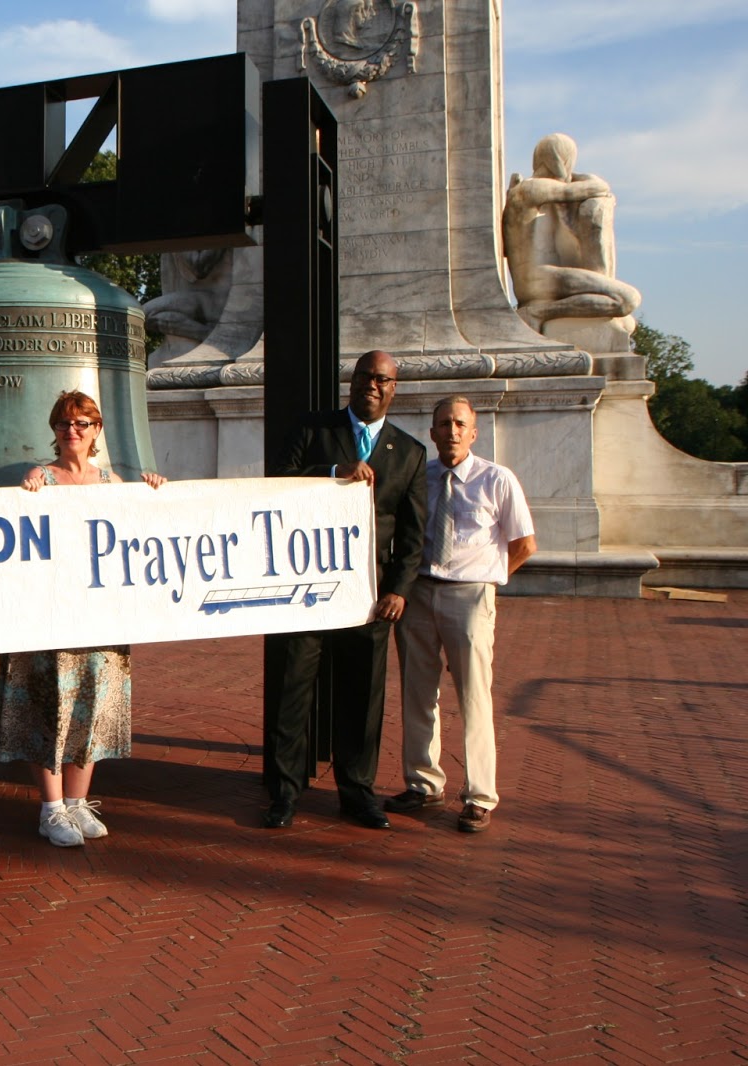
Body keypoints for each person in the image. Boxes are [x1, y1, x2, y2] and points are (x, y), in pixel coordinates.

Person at [0, 390, 166, 847]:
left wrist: (151, 492)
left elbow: (139, 534)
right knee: (47, 707)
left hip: (96, 619)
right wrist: (25, 496)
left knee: (91, 703)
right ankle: (51, 809)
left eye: (82, 423)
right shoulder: (40, 479)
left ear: (96, 430)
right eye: (64, 423)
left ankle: (76, 802)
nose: (72, 431)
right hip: (48, 617)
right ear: (54, 430)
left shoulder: (113, 483)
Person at [263, 350, 427, 830]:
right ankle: (284, 794)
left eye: (382, 379)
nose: (372, 385)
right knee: (293, 691)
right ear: (351, 382)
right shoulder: (313, 430)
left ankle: (357, 793)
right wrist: (335, 473)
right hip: (306, 590)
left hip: (368, 598)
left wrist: (398, 590)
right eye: (364, 377)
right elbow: (276, 481)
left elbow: (412, 536)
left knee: (362, 697)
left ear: (394, 388)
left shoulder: (410, 452)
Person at [388, 397, 536, 833]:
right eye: (443, 424)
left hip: (470, 596)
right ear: (432, 433)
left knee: (473, 697)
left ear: (473, 433)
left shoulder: (496, 479)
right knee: (418, 693)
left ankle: (479, 796)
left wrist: (489, 578)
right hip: (420, 592)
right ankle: (423, 784)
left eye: (459, 424)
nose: (451, 431)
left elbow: (524, 544)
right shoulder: (421, 477)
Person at [502, 132, 640, 332]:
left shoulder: (531, 190)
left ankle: (543, 312)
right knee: (628, 299)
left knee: (627, 321)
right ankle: (538, 312)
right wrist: (581, 178)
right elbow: (597, 187)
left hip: (543, 277)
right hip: (537, 279)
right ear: (562, 160)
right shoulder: (531, 188)